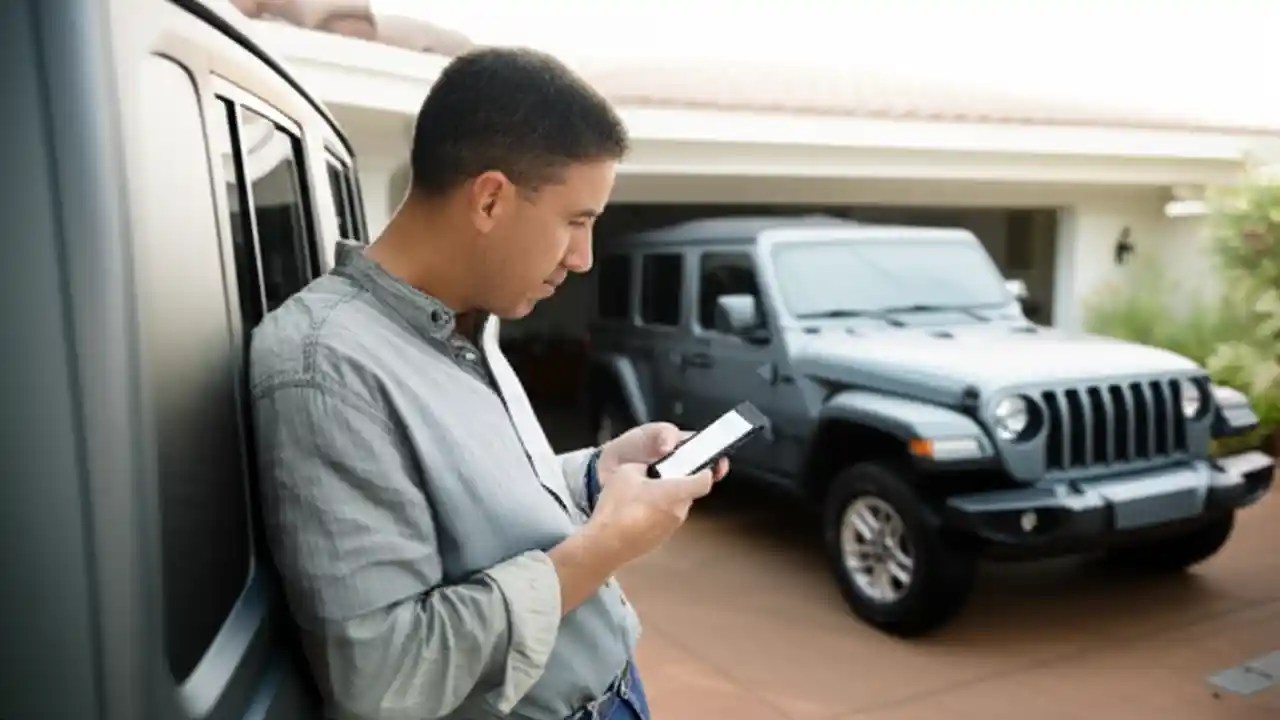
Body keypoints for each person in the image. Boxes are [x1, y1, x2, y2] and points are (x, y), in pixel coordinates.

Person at [249, 46, 726, 720]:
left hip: (616, 690)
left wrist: (595, 473)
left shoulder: (474, 320)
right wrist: (605, 548)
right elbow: (384, 674)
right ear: (492, 198)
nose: (584, 258)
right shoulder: (325, 366)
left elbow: (477, 517)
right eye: (576, 222)